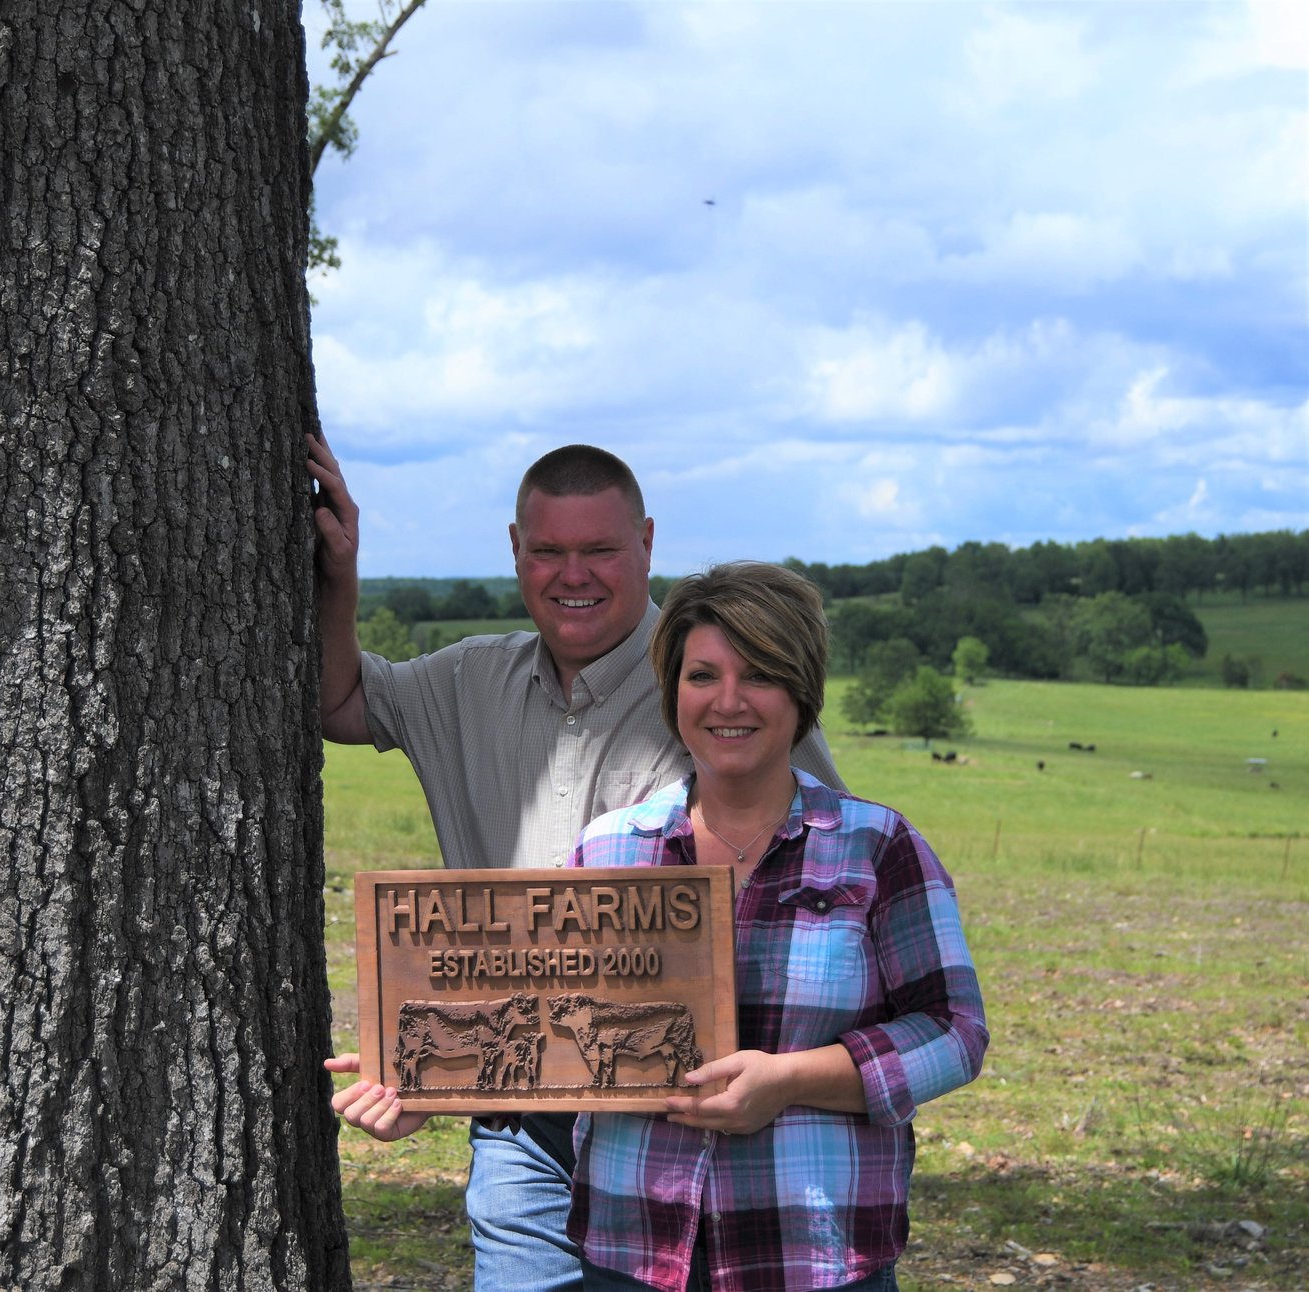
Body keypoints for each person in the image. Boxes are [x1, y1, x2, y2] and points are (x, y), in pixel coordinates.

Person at [305, 436, 847, 1292]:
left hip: (678, 1127)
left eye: (600, 549)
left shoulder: (718, 690)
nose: (574, 575)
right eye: (549, 550)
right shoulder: (464, 682)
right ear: (515, 551)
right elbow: (337, 701)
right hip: (524, 1133)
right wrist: (340, 576)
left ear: (647, 544)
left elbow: (812, 879)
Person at [566, 562, 988, 1292]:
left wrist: (789, 1080)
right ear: (672, 693)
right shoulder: (608, 849)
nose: (728, 701)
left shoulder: (877, 847)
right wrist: (420, 1089)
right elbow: (549, 1027)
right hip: (633, 1253)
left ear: (802, 692)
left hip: (813, 1256)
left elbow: (955, 1031)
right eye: (702, 676)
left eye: (758, 673)